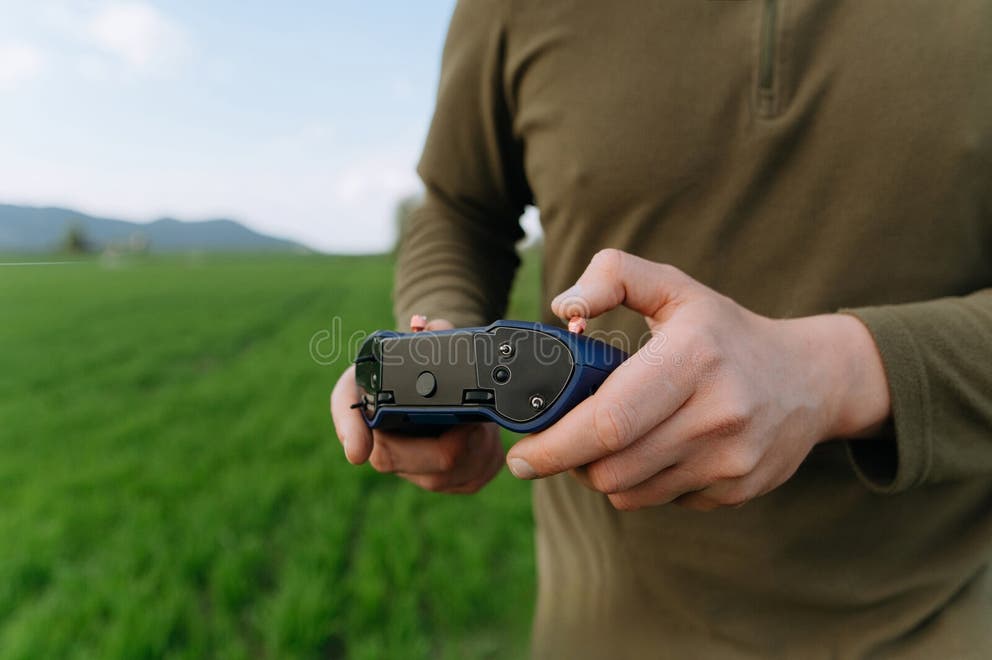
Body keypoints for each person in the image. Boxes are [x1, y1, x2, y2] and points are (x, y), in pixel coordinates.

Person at [331, 1, 992, 656]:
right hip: (601, 620)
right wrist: (447, 345)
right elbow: (461, 206)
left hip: (930, 621)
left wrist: (837, 371)